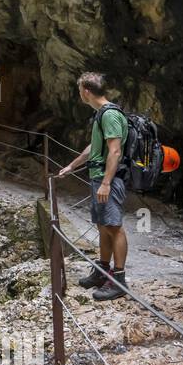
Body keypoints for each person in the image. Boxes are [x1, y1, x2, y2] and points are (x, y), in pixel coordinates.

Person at [57, 72, 128, 301]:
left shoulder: (110, 115)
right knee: (102, 225)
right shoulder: (101, 115)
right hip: (97, 176)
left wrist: (106, 183)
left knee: (114, 227)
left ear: (86, 91)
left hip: (109, 180)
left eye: (80, 90)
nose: (79, 94)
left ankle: (118, 281)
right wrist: (72, 166)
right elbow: (93, 148)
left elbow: (115, 151)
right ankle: (102, 270)